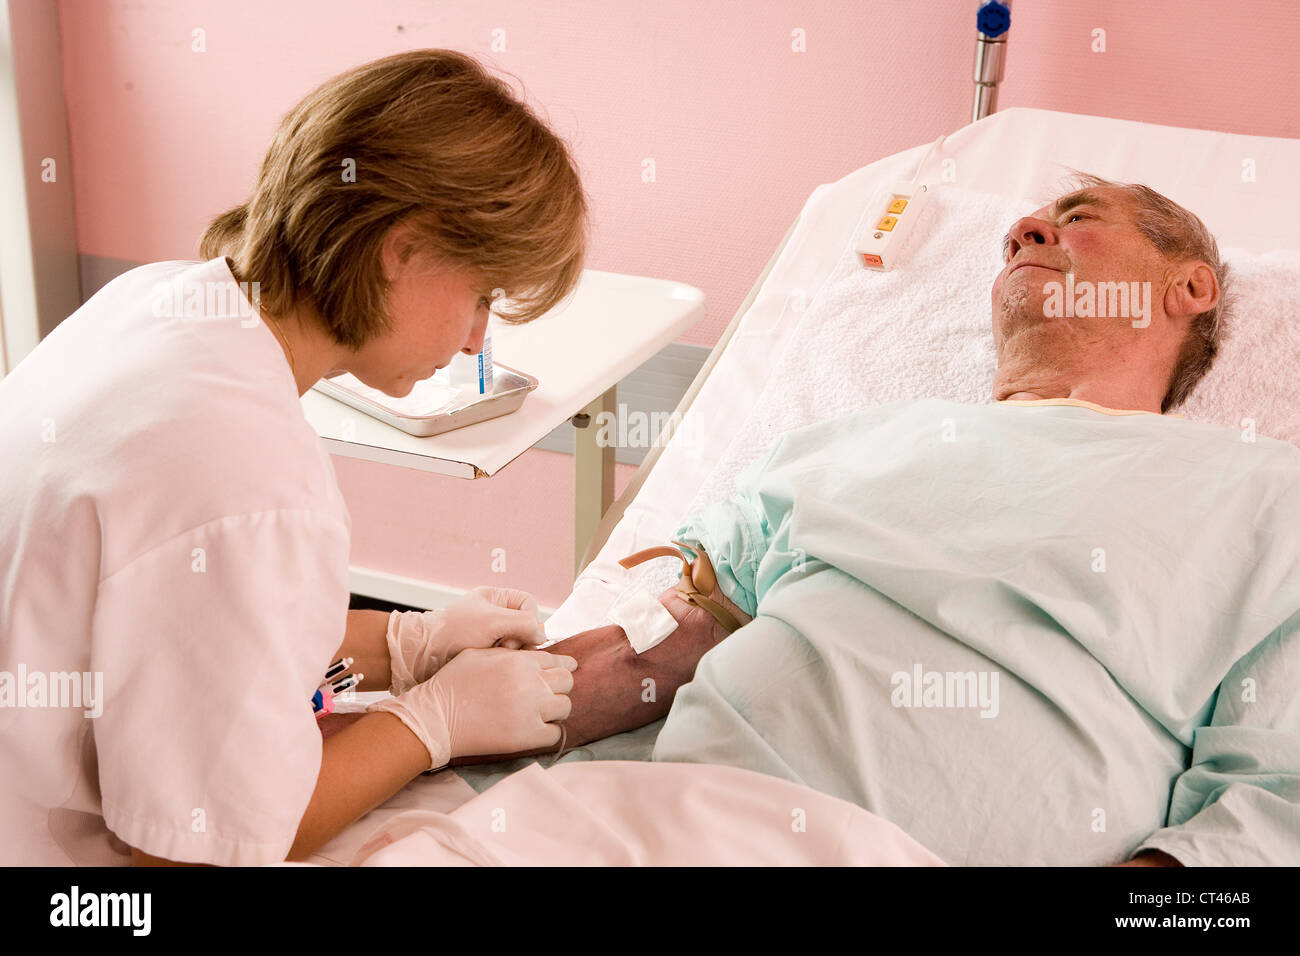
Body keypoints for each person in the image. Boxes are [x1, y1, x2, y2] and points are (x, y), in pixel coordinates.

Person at [449, 176, 1300, 866]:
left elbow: (1273, 805)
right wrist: (425, 722)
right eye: (1021, 229)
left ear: (1190, 286)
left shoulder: (1266, 495)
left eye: (1075, 219)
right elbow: (652, 653)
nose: (1023, 233)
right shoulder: (849, 444)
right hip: (675, 823)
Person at [0, 49, 589, 865]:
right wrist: (427, 727)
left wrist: (409, 643)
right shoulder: (251, 481)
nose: (475, 340)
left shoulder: (164, 299)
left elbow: (183, 628)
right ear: (402, 248)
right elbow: (188, 855)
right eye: (482, 293)